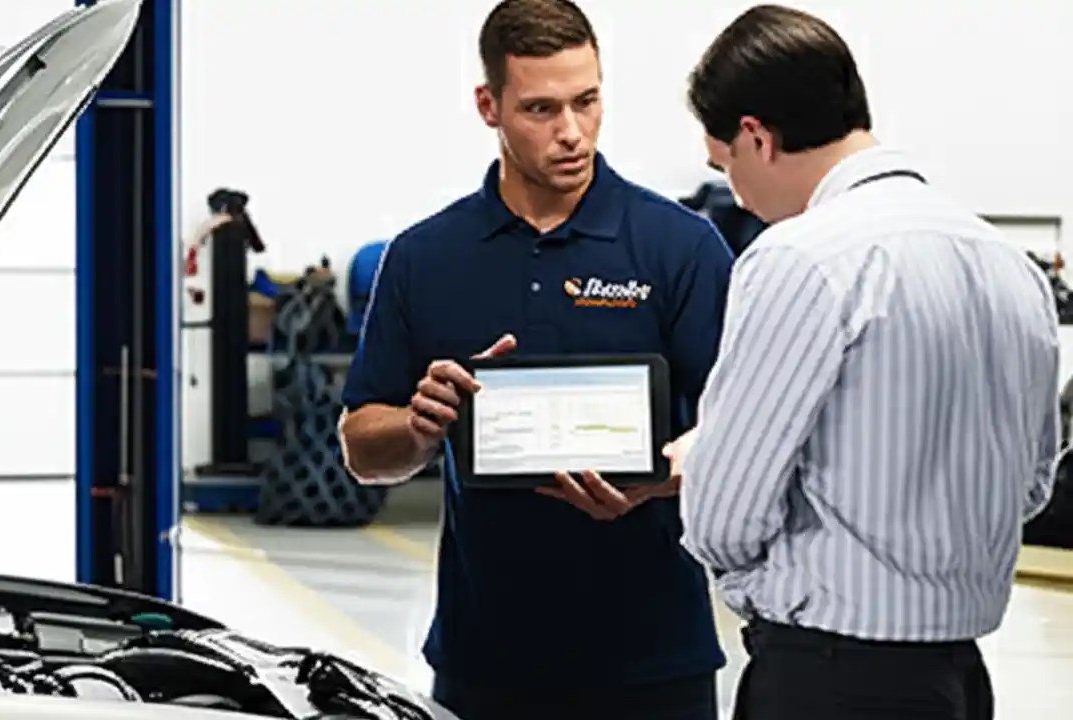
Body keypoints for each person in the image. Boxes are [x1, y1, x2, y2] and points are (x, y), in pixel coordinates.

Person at [337, 1, 734, 718]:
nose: (572, 133)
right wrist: (419, 428)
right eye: (541, 109)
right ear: (489, 105)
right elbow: (364, 450)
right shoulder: (425, 259)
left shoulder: (682, 248)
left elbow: (739, 432)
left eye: (587, 100)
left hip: (655, 663)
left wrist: (660, 480)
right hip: (486, 664)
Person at [666, 5, 1061, 719]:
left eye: (724, 164)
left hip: (829, 674)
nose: (739, 194)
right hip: (962, 676)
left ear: (755, 137)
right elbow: (1032, 486)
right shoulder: (1010, 265)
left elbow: (722, 519)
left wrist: (707, 458)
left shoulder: (801, 260)